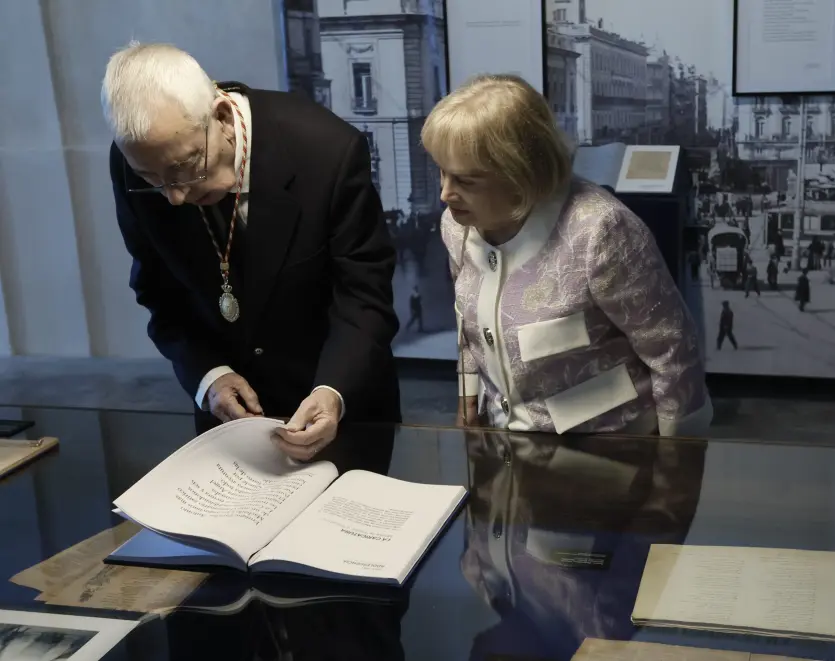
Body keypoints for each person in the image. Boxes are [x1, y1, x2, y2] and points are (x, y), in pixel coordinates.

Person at [102, 43, 400, 459]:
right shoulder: (137, 159)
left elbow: (364, 294)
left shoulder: (327, 151)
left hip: (339, 408)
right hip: (228, 425)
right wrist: (210, 377)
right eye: (151, 178)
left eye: (186, 168)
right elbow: (158, 291)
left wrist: (332, 392)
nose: (173, 196)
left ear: (222, 118)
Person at [423, 74, 711, 437]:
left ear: (520, 174)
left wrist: (676, 462)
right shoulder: (457, 224)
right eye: (442, 172)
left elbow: (672, 349)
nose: (445, 194)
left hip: (612, 446)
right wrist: (468, 397)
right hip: (509, 443)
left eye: (466, 181)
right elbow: (467, 320)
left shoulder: (602, 231)